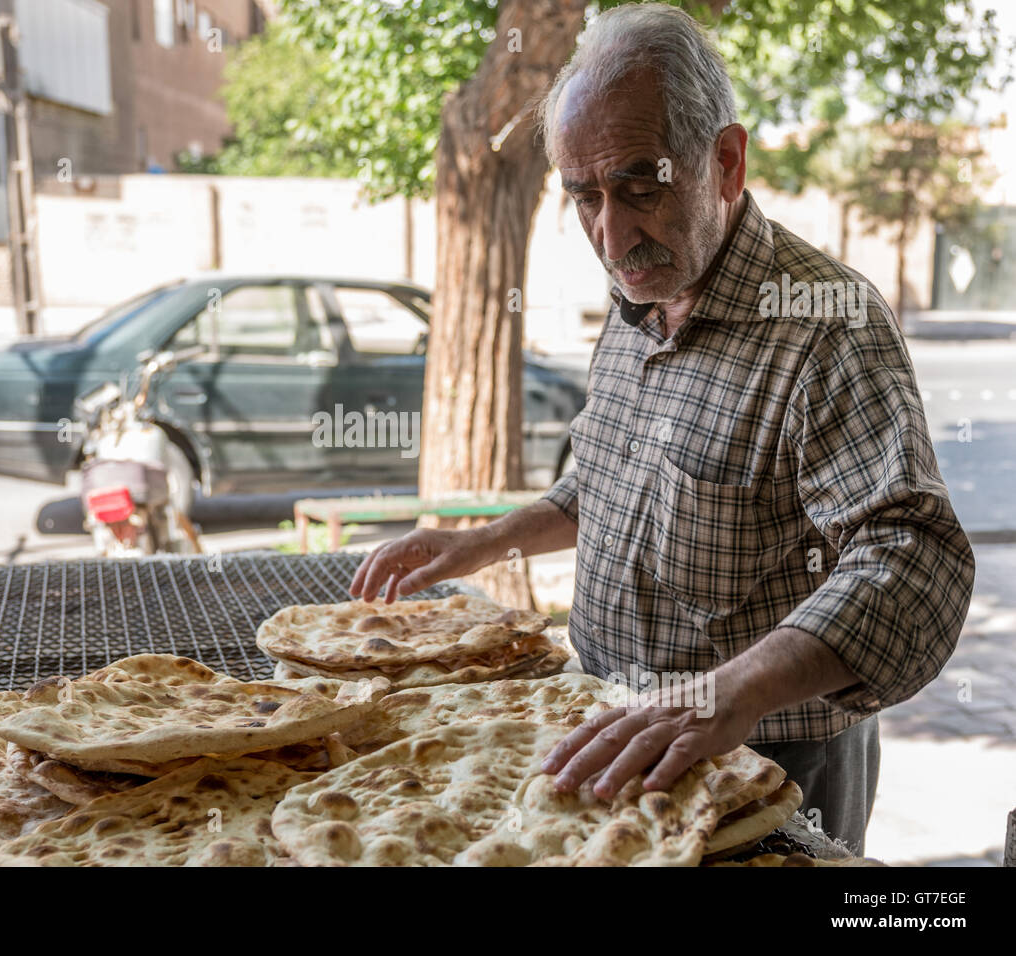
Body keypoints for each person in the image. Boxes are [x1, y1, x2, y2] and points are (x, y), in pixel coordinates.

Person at [348, 3, 974, 856]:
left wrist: (728, 694)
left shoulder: (826, 323)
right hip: (615, 733)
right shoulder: (638, 296)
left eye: (641, 186)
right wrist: (483, 542)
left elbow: (914, 559)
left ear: (725, 161)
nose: (612, 234)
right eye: (584, 198)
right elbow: (604, 484)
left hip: (770, 762)